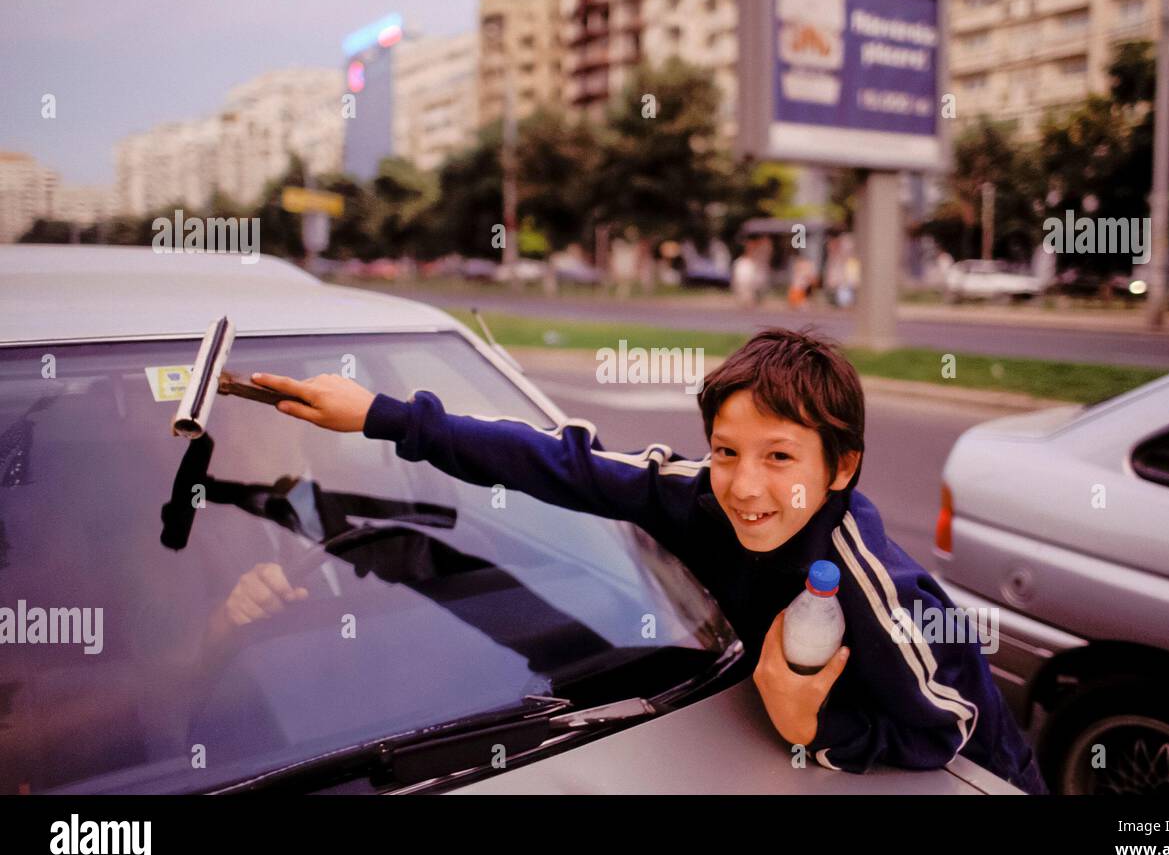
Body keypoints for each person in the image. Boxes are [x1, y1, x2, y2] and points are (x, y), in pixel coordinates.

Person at [248, 329, 1050, 794]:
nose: (745, 487)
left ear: (841, 469)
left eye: (781, 457)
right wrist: (384, 417)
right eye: (728, 451)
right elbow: (559, 463)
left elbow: (947, 727)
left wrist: (816, 727)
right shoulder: (697, 493)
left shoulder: (881, 593)